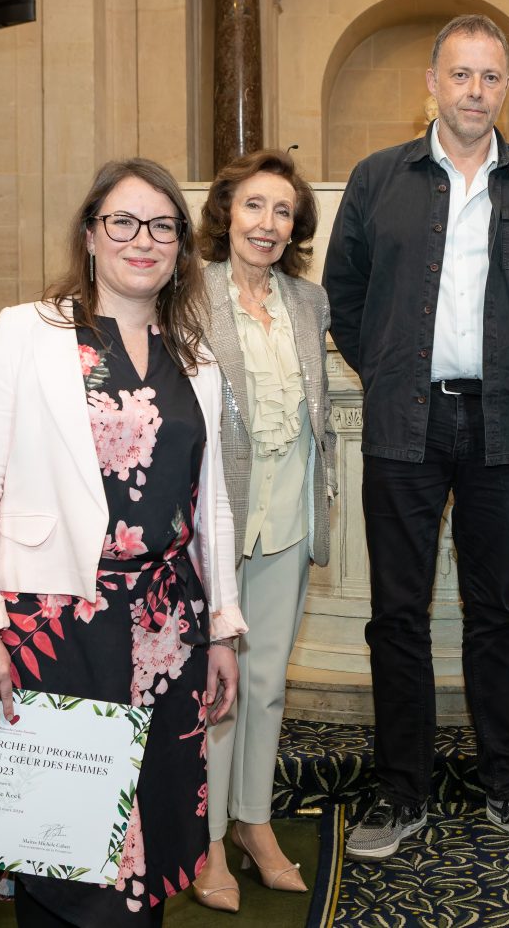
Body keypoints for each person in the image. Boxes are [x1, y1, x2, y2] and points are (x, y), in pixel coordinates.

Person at [0, 158, 245, 926]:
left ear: (180, 246)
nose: (142, 240)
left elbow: (208, 507)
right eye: (123, 222)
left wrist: (221, 630)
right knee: (63, 844)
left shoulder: (197, 360)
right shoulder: (27, 332)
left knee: (150, 839)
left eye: (163, 226)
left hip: (166, 628)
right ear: (89, 234)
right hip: (57, 620)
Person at [323, 13, 509, 861]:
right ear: (430, 84)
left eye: (490, 77)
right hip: (404, 422)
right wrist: (391, 371)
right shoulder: (376, 177)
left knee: (493, 612)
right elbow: (344, 295)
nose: (475, 91)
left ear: (507, 89)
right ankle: (400, 793)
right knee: (396, 616)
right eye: (460, 75)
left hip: (503, 423)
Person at [191, 149, 336, 911]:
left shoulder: (308, 303)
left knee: (268, 681)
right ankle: (208, 838)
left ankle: (255, 821)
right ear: (227, 214)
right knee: (218, 684)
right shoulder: (190, 293)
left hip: (289, 511)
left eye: (282, 212)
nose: (268, 224)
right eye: (254, 206)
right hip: (216, 519)